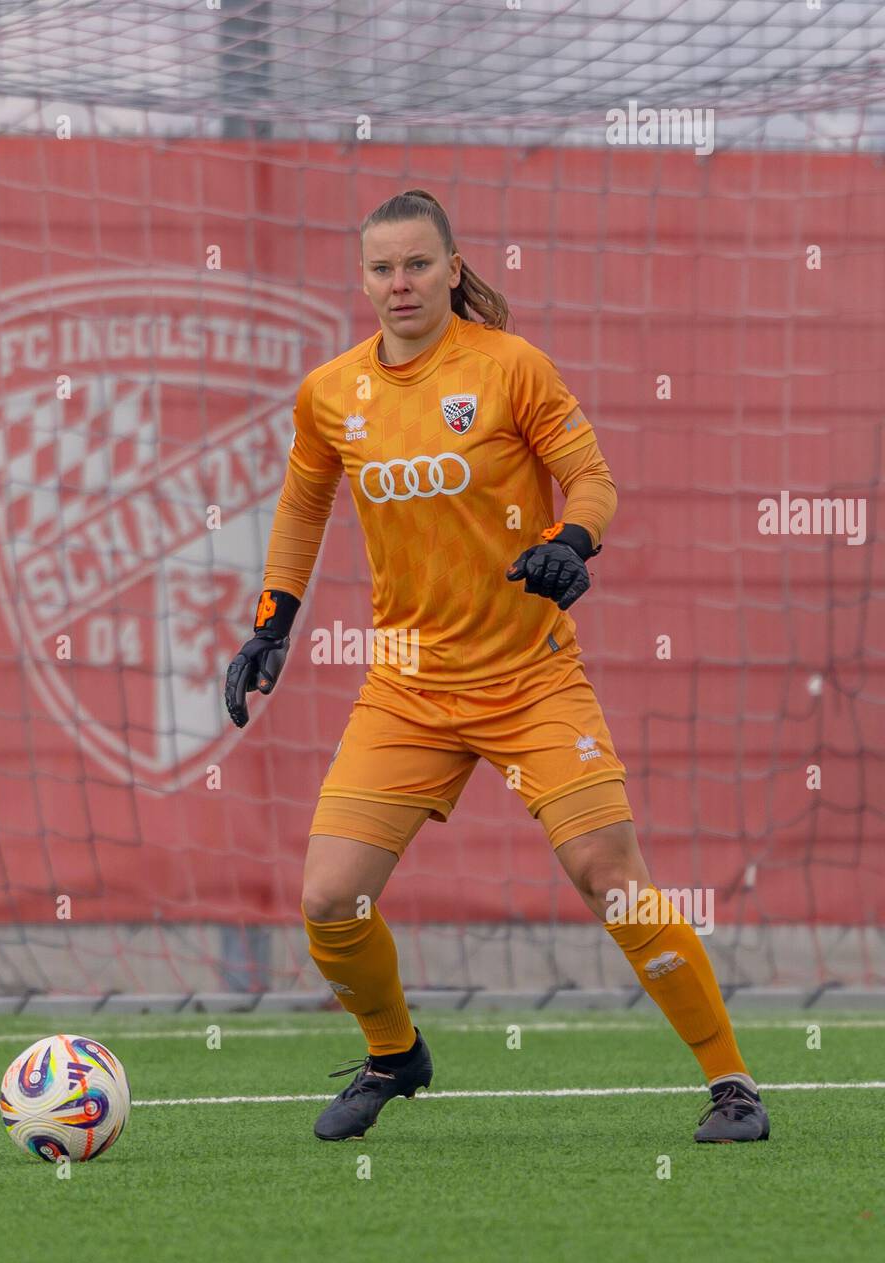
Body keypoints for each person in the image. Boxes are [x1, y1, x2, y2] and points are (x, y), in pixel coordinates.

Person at [225, 188, 769, 1146]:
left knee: (612, 875)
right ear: (363, 279)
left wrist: (574, 541)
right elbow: (303, 506)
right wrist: (272, 622)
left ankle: (733, 1086)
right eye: (382, 268)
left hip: (530, 677)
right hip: (407, 686)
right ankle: (394, 1054)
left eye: (417, 265)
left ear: (450, 266)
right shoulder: (331, 394)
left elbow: (594, 477)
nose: (400, 284)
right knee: (328, 902)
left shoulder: (510, 368)